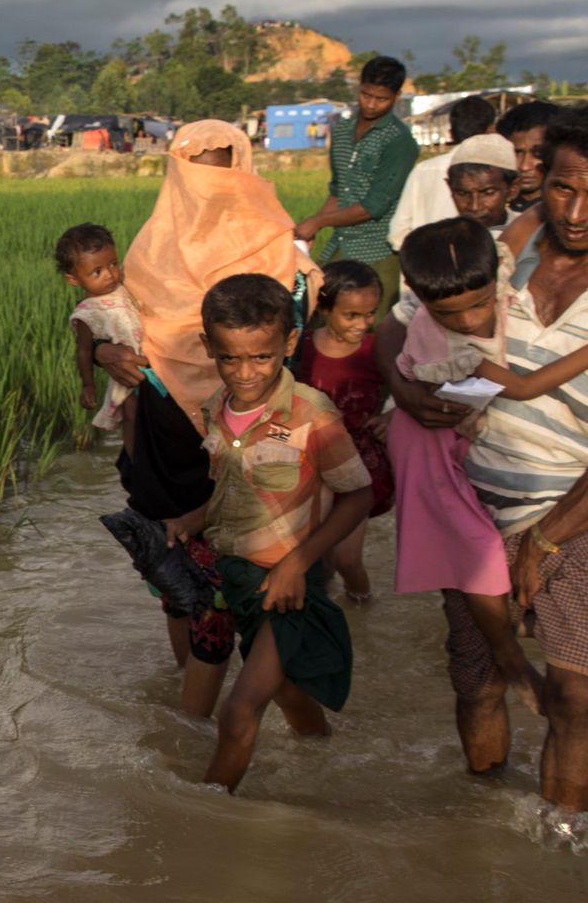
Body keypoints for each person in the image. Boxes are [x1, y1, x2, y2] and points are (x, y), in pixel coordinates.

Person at [382, 103, 588, 820]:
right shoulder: (490, 255)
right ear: (540, 177)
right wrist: (406, 393)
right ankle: (483, 827)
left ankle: (563, 844)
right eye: (564, 187)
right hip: (472, 503)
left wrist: (548, 537)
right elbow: (397, 326)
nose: (578, 210)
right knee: (477, 683)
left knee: (575, 691)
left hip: (587, 512)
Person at [94, 120, 321, 715]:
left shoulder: (277, 244)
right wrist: (101, 351)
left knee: (253, 565)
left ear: (242, 168)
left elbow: (292, 341)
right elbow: (106, 319)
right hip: (163, 423)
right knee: (178, 579)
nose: (208, 187)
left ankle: (255, 711)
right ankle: (192, 704)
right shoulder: (149, 248)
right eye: (196, 173)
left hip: (251, 426)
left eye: (221, 170)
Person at [385, 218, 588, 713]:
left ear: (496, 275)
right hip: (426, 442)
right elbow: (524, 388)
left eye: (481, 304)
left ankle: (509, 659)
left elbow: (531, 215)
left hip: (454, 433)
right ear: (423, 302)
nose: (468, 320)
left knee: (474, 551)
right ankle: (512, 664)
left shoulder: (492, 260)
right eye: (450, 312)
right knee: (479, 554)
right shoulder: (450, 344)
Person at [164, 273, 371, 794]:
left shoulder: (311, 415)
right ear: (209, 346)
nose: (245, 372)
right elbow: (229, 487)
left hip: (285, 589)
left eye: (261, 357)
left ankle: (205, 816)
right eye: (229, 357)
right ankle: (328, 760)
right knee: (289, 694)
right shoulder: (216, 408)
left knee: (239, 711)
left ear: (290, 344)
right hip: (233, 579)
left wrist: (298, 564)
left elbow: (358, 496)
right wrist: (193, 520)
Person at [295, 260, 389, 602]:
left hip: (358, 465)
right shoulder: (300, 347)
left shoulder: (378, 349)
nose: (363, 324)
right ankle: (328, 611)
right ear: (323, 308)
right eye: (351, 316)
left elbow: (413, 387)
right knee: (318, 557)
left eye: (370, 314)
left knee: (346, 557)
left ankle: (361, 604)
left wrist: (390, 417)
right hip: (310, 463)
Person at [295, 56, 418, 310]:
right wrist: (312, 229)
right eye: (365, 94)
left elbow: (374, 205)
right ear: (359, 87)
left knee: (373, 326)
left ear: (396, 96)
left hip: (378, 250)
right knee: (321, 316)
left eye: (381, 98)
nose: (371, 104)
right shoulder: (341, 132)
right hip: (340, 244)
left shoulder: (399, 141)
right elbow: (338, 190)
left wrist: (319, 221)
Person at [57, 222, 142, 444]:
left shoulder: (123, 284)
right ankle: (135, 463)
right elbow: (84, 350)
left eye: (113, 264)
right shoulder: (88, 312)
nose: (110, 275)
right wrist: (88, 384)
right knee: (132, 415)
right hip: (127, 370)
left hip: (151, 358)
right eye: (97, 271)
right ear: (73, 279)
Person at [388, 94, 496, 250]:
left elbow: (397, 233)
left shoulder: (424, 170)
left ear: (450, 133)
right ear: (492, 131)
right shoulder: (497, 175)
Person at [496, 100, 560, 214]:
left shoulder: (567, 212)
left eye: (537, 154)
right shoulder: (490, 208)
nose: (525, 166)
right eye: (517, 152)